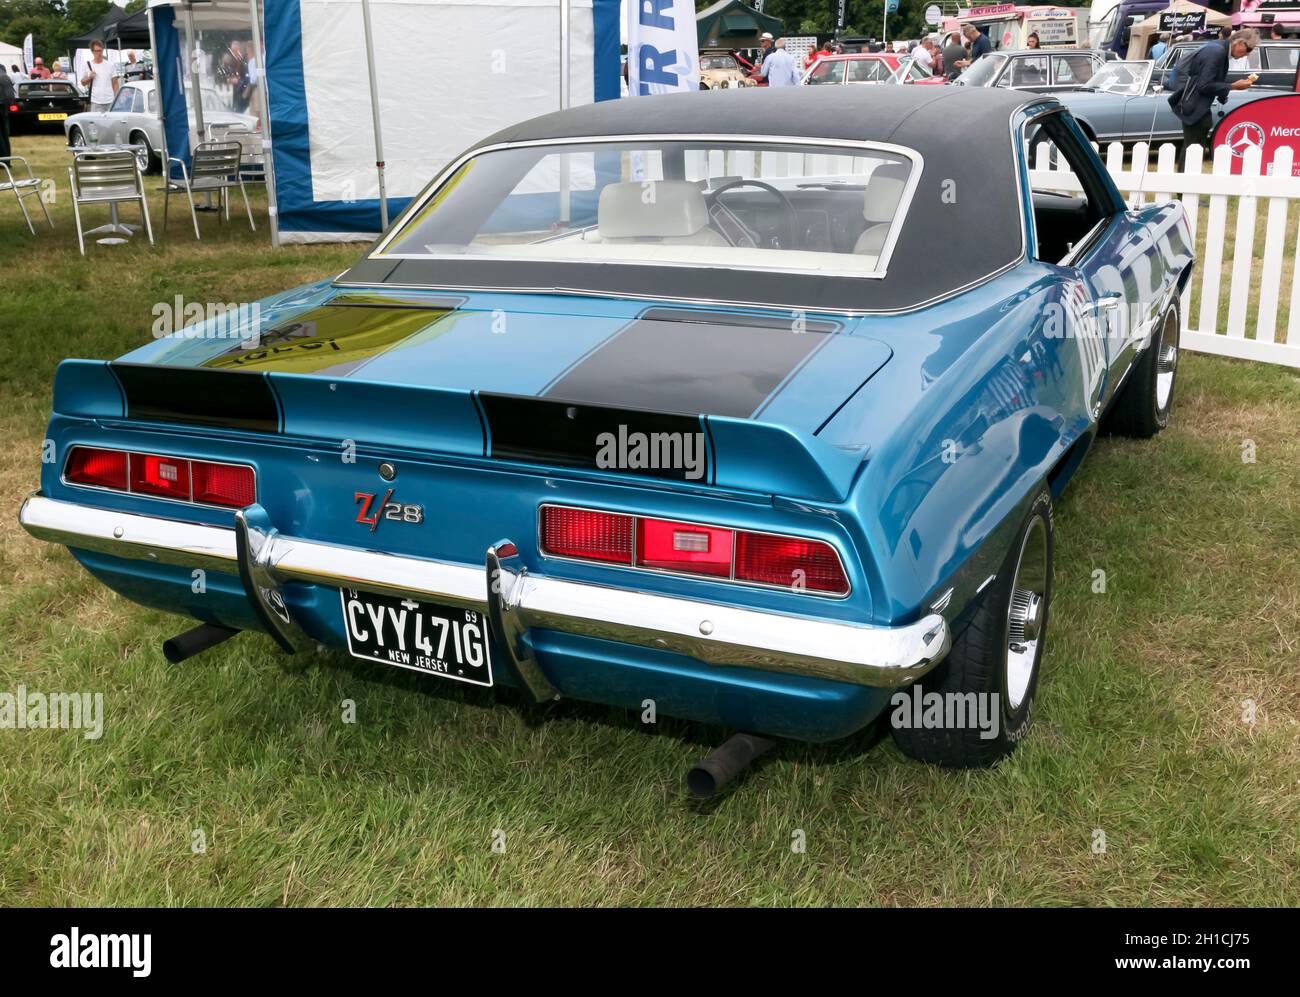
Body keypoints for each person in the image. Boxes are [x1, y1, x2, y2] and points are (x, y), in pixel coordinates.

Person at [1169, 29, 1259, 156]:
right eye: (1249, 49)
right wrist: (1232, 86)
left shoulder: (1218, 48)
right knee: (1193, 149)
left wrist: (1223, 94)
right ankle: (1187, 174)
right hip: (1194, 105)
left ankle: (1188, 173)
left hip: (1195, 104)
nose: (1247, 54)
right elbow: (1204, 85)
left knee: (1194, 147)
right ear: (1240, 43)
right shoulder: (1217, 52)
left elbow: (1212, 79)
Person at [80, 40, 118, 112]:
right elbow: (82, 82)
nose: (99, 53)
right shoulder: (87, 65)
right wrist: (89, 77)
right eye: (96, 51)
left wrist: (116, 98)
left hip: (110, 100)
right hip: (95, 101)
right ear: (92, 51)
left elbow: (115, 83)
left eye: (100, 50)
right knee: (96, 122)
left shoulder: (110, 65)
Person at [0, 64, 13, 160]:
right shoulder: (5, 77)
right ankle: (7, 159)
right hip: (4, 106)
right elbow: (10, 96)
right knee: (4, 134)